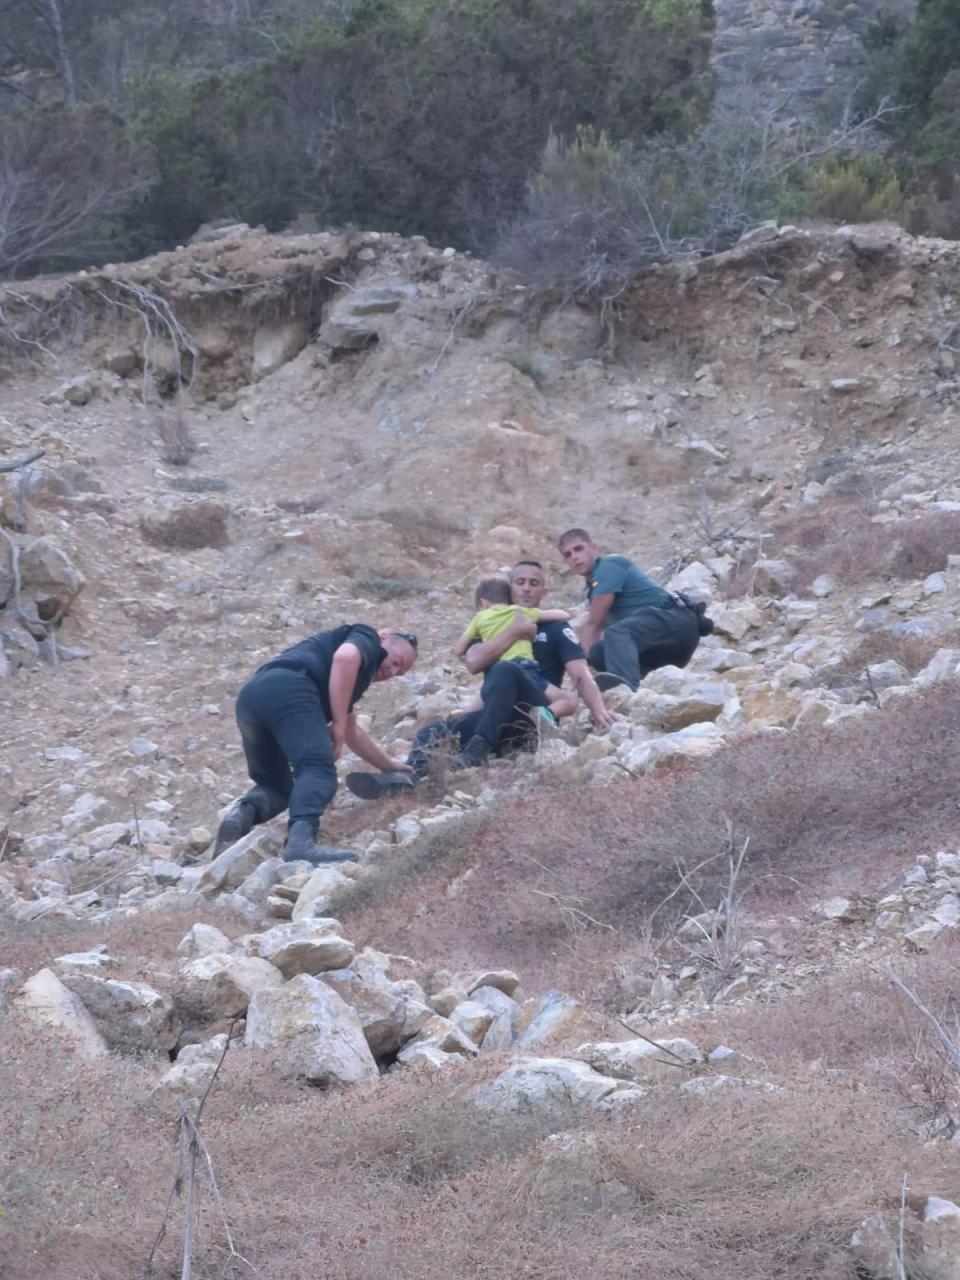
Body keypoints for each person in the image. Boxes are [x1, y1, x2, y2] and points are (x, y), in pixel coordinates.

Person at [346, 560, 615, 798]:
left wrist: (599, 710)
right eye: (520, 582)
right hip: (494, 718)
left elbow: (580, 674)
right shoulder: (490, 625)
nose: (526, 589)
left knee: (506, 669)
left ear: (544, 591)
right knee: (434, 730)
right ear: (509, 587)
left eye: (534, 584)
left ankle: (476, 752)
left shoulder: (554, 627)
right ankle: (406, 778)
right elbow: (473, 662)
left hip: (532, 716)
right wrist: (514, 632)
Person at [215, 625, 418, 864]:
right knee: (319, 771)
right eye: (396, 661)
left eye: (399, 672)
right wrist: (338, 724)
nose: (393, 672)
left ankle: (238, 819)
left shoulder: (346, 678)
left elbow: (352, 730)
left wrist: (387, 765)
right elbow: (345, 658)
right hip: (291, 687)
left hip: (252, 698)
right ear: (383, 638)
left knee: (277, 788)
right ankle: (300, 844)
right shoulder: (367, 637)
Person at [558, 528, 708, 692]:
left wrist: (579, 676)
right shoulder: (593, 588)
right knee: (599, 653)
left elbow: (593, 624)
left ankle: (625, 688)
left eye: (578, 549)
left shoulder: (608, 566)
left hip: (676, 623)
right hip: (662, 650)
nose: (574, 557)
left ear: (593, 548)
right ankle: (643, 686)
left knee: (616, 632)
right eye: (568, 555)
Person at [453, 575, 575, 722]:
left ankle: (460, 718)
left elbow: (458, 649)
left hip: (496, 674)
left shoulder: (480, 617)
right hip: (526, 670)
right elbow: (562, 615)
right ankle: (544, 714)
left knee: (478, 703)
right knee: (566, 701)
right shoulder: (520, 611)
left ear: (483, 602)